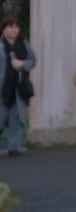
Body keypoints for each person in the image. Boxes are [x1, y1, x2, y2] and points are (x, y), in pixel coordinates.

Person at [2, 15, 36, 156]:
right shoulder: (1, 46)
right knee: (2, 116)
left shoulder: (24, 44)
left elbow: (32, 61)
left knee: (17, 118)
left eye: (16, 27)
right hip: (3, 87)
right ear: (4, 29)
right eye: (10, 27)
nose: (14, 30)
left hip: (19, 87)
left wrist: (22, 64)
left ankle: (14, 147)